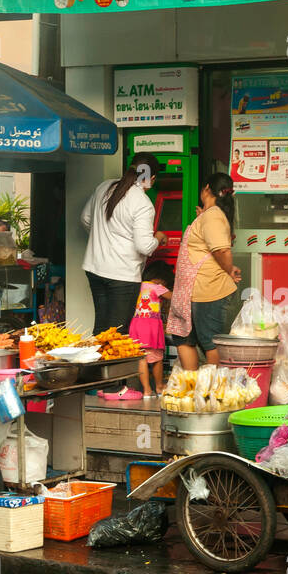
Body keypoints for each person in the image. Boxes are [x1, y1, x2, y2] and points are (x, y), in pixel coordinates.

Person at [81, 154, 167, 335]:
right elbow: (145, 246)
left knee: (101, 328)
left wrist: (102, 237)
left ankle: (98, 364)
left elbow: (86, 218)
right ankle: (111, 365)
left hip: (95, 268)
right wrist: (158, 237)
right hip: (122, 275)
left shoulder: (104, 187)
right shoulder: (142, 202)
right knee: (118, 334)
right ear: (151, 178)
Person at [166, 173, 243, 369]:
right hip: (193, 291)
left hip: (208, 290)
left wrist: (230, 269)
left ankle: (212, 389)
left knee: (209, 340)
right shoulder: (210, 215)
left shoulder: (213, 216)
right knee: (183, 338)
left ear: (207, 188)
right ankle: (193, 388)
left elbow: (222, 249)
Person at [119, 259, 173, 399]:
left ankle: (147, 391)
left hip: (136, 325)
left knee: (142, 358)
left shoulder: (138, 286)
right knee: (157, 358)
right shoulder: (157, 287)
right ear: (162, 278)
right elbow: (174, 297)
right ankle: (159, 387)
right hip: (151, 326)